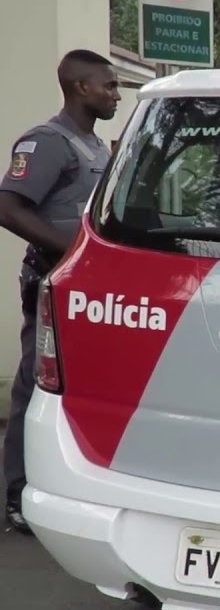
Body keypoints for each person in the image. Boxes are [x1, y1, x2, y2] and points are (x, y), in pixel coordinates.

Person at [0, 49, 120, 534]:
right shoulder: (49, 143)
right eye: (108, 86)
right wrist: (72, 249)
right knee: (35, 384)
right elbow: (9, 208)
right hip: (53, 281)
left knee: (78, 388)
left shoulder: (97, 146)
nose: (115, 94)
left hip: (85, 289)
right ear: (80, 87)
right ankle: (16, 493)